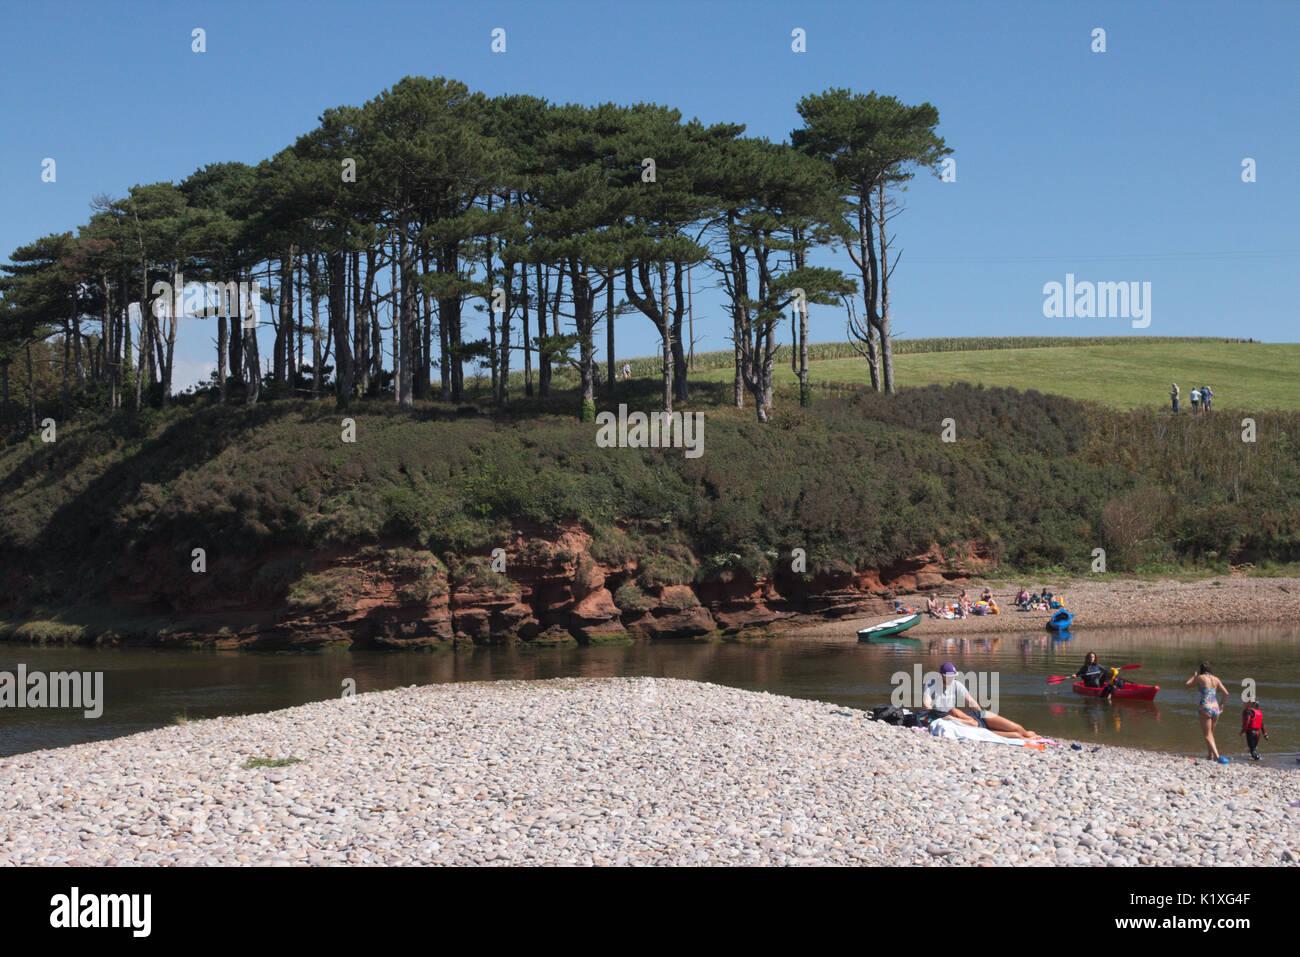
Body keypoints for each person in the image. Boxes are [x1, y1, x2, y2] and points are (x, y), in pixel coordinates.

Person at [1185, 661, 1231, 761]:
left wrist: (1194, 676)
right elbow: (1226, 693)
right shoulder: (1216, 679)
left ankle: (1218, 757)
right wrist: (1222, 705)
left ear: (1201, 670)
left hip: (1205, 707)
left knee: (1207, 735)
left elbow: (1187, 685)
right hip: (1215, 708)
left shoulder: (1200, 678)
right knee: (1211, 734)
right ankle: (1210, 756)